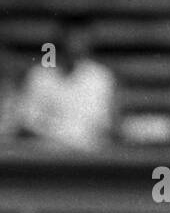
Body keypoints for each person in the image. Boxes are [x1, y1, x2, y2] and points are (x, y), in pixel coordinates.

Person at [14, 21, 116, 150]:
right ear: (59, 41)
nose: (75, 45)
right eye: (71, 39)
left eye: (81, 40)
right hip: (46, 155)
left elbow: (106, 125)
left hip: (89, 156)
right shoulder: (39, 75)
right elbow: (26, 122)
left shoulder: (101, 77)